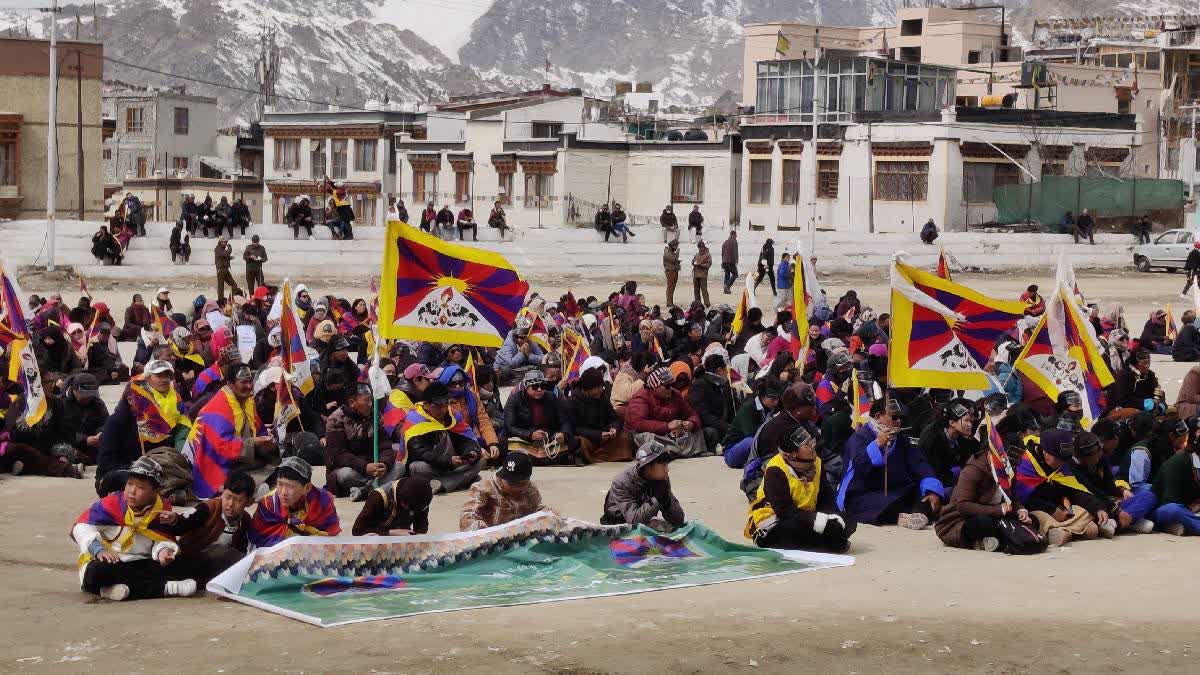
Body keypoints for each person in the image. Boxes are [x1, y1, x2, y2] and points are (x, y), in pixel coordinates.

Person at [70, 456, 199, 601]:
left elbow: (161, 538)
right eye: (130, 484)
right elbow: (81, 527)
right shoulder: (110, 505)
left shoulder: (161, 510)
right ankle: (165, 588)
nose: (132, 491)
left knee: (184, 565)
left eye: (141, 487)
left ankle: (115, 590)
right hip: (111, 562)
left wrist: (163, 551)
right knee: (96, 572)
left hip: (140, 563)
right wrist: (99, 550)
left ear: (156, 491)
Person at [837, 399, 945, 529]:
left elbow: (919, 464)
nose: (899, 421)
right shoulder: (859, 437)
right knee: (881, 503)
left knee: (927, 494)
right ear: (878, 416)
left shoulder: (901, 439)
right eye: (894, 417)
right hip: (864, 492)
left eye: (900, 418)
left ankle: (923, 511)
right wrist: (876, 445)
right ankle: (907, 516)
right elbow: (859, 466)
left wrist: (932, 491)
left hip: (896, 490)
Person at [745, 426, 855, 553]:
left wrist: (832, 518)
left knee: (848, 521)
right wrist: (817, 521)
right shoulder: (775, 470)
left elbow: (826, 498)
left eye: (811, 441)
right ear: (792, 454)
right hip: (776, 521)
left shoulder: (817, 463)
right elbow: (785, 512)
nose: (812, 446)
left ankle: (827, 540)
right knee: (801, 530)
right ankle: (827, 541)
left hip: (805, 516)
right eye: (806, 445)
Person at [185, 363, 277, 501]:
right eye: (243, 382)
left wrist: (266, 438)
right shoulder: (219, 407)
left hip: (236, 453)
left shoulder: (247, 401)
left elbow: (258, 428)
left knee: (274, 453)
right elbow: (221, 448)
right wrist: (253, 442)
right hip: (209, 461)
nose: (249, 386)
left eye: (250, 381)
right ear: (230, 384)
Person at [934, 446, 1033, 553]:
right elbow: (963, 506)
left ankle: (999, 539)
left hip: (997, 516)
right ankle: (998, 540)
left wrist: (1021, 511)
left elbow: (1013, 497)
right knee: (984, 523)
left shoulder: (1009, 468)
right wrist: (998, 510)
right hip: (962, 519)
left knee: (1032, 519)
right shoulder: (973, 469)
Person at [325, 384, 403, 501]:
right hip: (351, 468)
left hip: (373, 467)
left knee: (399, 467)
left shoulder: (375, 416)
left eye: (371, 400)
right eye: (366, 400)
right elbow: (338, 455)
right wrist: (364, 466)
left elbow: (385, 445)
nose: (370, 404)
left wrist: (384, 464)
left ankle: (364, 491)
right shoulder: (335, 419)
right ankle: (380, 488)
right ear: (352, 402)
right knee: (346, 475)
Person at [404, 382, 485, 493]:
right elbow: (419, 452)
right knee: (417, 467)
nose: (443, 410)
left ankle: (442, 484)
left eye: (445, 405)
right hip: (432, 464)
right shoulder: (414, 419)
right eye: (437, 406)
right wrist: (447, 461)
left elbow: (465, 439)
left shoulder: (451, 415)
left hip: (452, 463)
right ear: (426, 405)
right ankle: (461, 480)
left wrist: (471, 451)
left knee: (480, 461)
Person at [174, 471, 255, 582]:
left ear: (249, 502)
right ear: (222, 493)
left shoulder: (245, 520)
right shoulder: (208, 508)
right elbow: (183, 523)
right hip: (189, 559)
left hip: (215, 564)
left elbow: (242, 548)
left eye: (237, 500)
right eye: (227, 497)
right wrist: (174, 519)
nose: (230, 504)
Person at [248, 456, 341, 547]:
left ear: (307, 488)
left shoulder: (323, 500)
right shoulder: (268, 504)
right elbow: (259, 538)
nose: (283, 493)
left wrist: (304, 532)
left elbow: (330, 536)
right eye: (280, 484)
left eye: (290, 486)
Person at [600, 440, 686, 530]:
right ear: (648, 466)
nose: (667, 470)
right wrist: (657, 499)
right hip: (618, 525)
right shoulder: (622, 482)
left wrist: (667, 502)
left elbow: (679, 520)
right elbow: (634, 520)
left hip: (645, 521)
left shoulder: (661, 479)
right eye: (663, 465)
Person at [624, 367, 707, 458]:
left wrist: (691, 423)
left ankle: (672, 451)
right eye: (667, 386)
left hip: (671, 433)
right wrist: (667, 426)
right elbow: (639, 424)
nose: (670, 389)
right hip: (650, 433)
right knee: (647, 437)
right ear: (655, 387)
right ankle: (673, 452)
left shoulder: (675, 394)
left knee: (697, 430)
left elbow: (692, 414)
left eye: (672, 385)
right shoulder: (641, 398)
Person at [459, 452, 548, 531]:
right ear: (502, 477)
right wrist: (485, 531)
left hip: (522, 535)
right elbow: (467, 516)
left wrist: (548, 515)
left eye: (521, 484)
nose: (515, 488)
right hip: (491, 536)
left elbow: (538, 509)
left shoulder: (530, 488)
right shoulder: (483, 488)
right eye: (511, 483)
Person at [504, 370, 577, 464]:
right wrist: (530, 435)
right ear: (527, 387)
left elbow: (565, 421)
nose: (539, 389)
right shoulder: (515, 399)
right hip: (524, 439)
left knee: (572, 441)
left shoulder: (552, 397)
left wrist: (563, 434)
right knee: (507, 444)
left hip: (549, 438)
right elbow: (509, 426)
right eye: (535, 387)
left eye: (542, 386)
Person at [565, 368, 634, 463]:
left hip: (604, 437)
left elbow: (614, 419)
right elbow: (574, 429)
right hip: (588, 437)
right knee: (580, 442)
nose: (600, 390)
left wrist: (613, 428)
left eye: (601, 387)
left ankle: (599, 456)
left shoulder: (602, 398)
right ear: (587, 389)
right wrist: (598, 435)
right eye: (597, 388)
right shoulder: (572, 402)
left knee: (624, 437)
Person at [917, 400, 980, 489]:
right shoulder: (932, 439)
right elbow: (936, 472)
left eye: (970, 420)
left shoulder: (961, 434)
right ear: (952, 423)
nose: (970, 424)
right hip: (933, 481)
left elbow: (971, 458)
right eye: (966, 420)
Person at [722, 378, 783, 469]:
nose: (776, 402)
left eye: (778, 399)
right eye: (772, 399)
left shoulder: (775, 408)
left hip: (758, 450)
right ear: (762, 396)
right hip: (736, 450)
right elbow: (753, 435)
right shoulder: (748, 408)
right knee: (750, 442)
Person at [352, 476, 434, 536]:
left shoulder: (421, 498)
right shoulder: (378, 496)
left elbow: (421, 529)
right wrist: (391, 532)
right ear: (403, 503)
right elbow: (357, 530)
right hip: (378, 538)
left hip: (402, 537)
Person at [686, 353, 736, 452]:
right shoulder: (699, 385)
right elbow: (704, 415)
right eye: (725, 370)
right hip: (709, 426)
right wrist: (727, 427)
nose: (727, 373)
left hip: (724, 424)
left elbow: (731, 406)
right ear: (719, 370)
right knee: (713, 433)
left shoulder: (723, 384)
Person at [1152, 443, 1200, 535]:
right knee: (1174, 510)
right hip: (1165, 507)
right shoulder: (1177, 463)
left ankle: (1183, 526)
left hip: (1191, 509)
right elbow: (1169, 500)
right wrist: (1191, 507)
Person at [214, 236, 240, 303]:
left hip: (225, 270)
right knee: (221, 287)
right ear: (220, 242)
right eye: (225, 242)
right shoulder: (218, 249)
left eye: (226, 242)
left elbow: (224, 257)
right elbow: (226, 254)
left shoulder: (222, 249)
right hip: (221, 270)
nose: (226, 243)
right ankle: (221, 301)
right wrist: (230, 248)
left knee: (234, 285)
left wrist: (230, 258)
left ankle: (229, 299)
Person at [692, 240, 712, 306]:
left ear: (704, 247)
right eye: (699, 248)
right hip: (696, 274)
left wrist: (701, 265)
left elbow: (708, 264)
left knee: (704, 290)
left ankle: (707, 303)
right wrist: (693, 262)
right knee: (696, 290)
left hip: (703, 275)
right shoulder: (696, 254)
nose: (700, 249)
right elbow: (693, 261)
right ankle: (698, 303)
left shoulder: (707, 255)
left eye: (701, 247)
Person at [663, 239, 681, 308]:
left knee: (672, 287)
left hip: (674, 270)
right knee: (670, 287)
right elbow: (673, 259)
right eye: (676, 246)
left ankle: (671, 302)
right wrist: (677, 253)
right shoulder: (667, 252)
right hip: (670, 271)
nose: (676, 248)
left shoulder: (671, 251)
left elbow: (673, 260)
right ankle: (669, 302)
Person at [720, 230, 738, 294]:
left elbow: (722, 253)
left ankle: (725, 290)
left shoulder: (725, 242)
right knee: (735, 274)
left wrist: (722, 262)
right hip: (731, 261)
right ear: (733, 235)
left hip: (724, 261)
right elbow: (735, 252)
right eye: (736, 235)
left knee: (727, 275)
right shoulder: (734, 242)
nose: (736, 236)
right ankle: (727, 286)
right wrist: (736, 261)